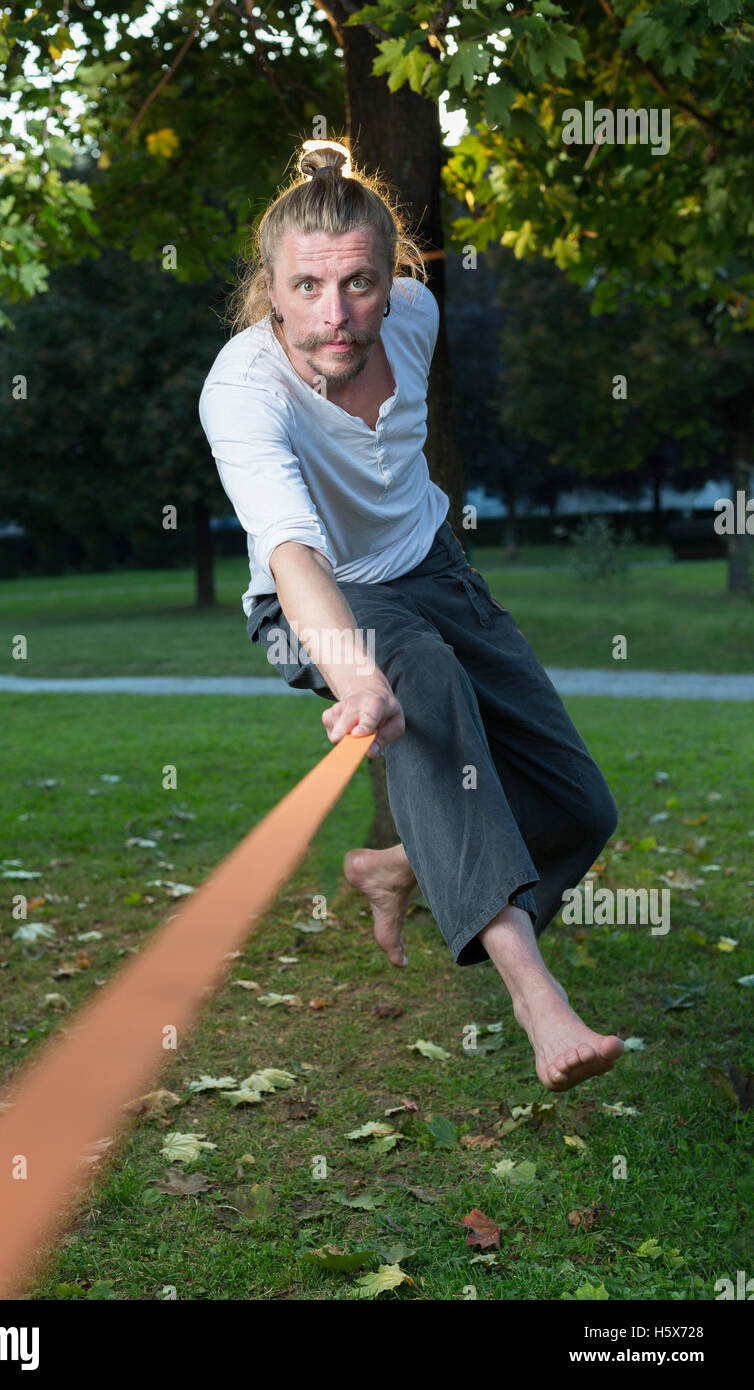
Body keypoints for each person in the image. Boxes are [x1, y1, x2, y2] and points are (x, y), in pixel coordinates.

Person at [199, 138, 625, 1092]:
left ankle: (397, 867)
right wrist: (356, 675)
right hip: (322, 596)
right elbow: (291, 552)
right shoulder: (242, 391)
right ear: (269, 287)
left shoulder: (418, 318)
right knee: (419, 678)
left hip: (435, 567)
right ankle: (536, 999)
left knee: (579, 809)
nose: (336, 314)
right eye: (307, 287)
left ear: (395, 283)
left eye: (360, 283)